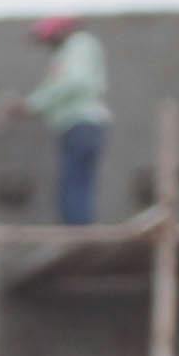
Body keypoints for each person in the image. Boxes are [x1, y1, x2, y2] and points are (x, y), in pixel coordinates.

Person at [28, 14, 113, 228]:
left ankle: (78, 231)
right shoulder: (67, 53)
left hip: (81, 123)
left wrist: (34, 104)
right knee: (74, 181)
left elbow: (74, 82)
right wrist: (32, 104)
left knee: (75, 181)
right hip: (74, 125)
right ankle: (76, 227)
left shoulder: (79, 45)